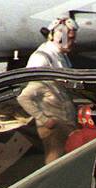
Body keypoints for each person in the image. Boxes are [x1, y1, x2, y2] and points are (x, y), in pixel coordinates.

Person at [17, 16, 79, 165]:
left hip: (65, 119)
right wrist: (45, 120)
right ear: (59, 37)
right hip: (54, 124)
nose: (72, 42)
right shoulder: (41, 59)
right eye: (69, 38)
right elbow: (24, 96)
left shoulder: (60, 56)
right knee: (54, 163)